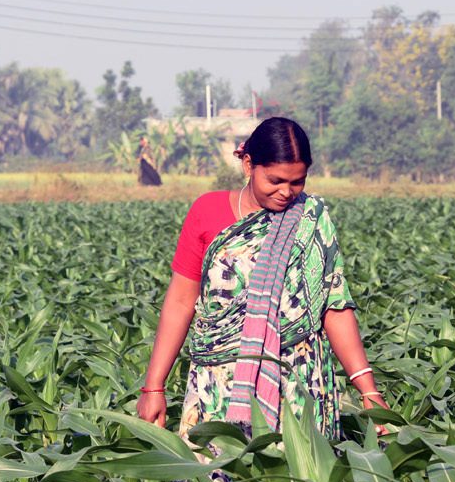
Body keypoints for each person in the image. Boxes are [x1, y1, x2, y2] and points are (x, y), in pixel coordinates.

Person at [137, 116, 387, 442]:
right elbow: (181, 301)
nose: (287, 192)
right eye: (276, 180)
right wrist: (154, 386)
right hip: (218, 388)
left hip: (300, 390)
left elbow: (334, 308)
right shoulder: (207, 212)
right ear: (248, 165)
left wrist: (368, 391)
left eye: (297, 182)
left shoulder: (312, 220)